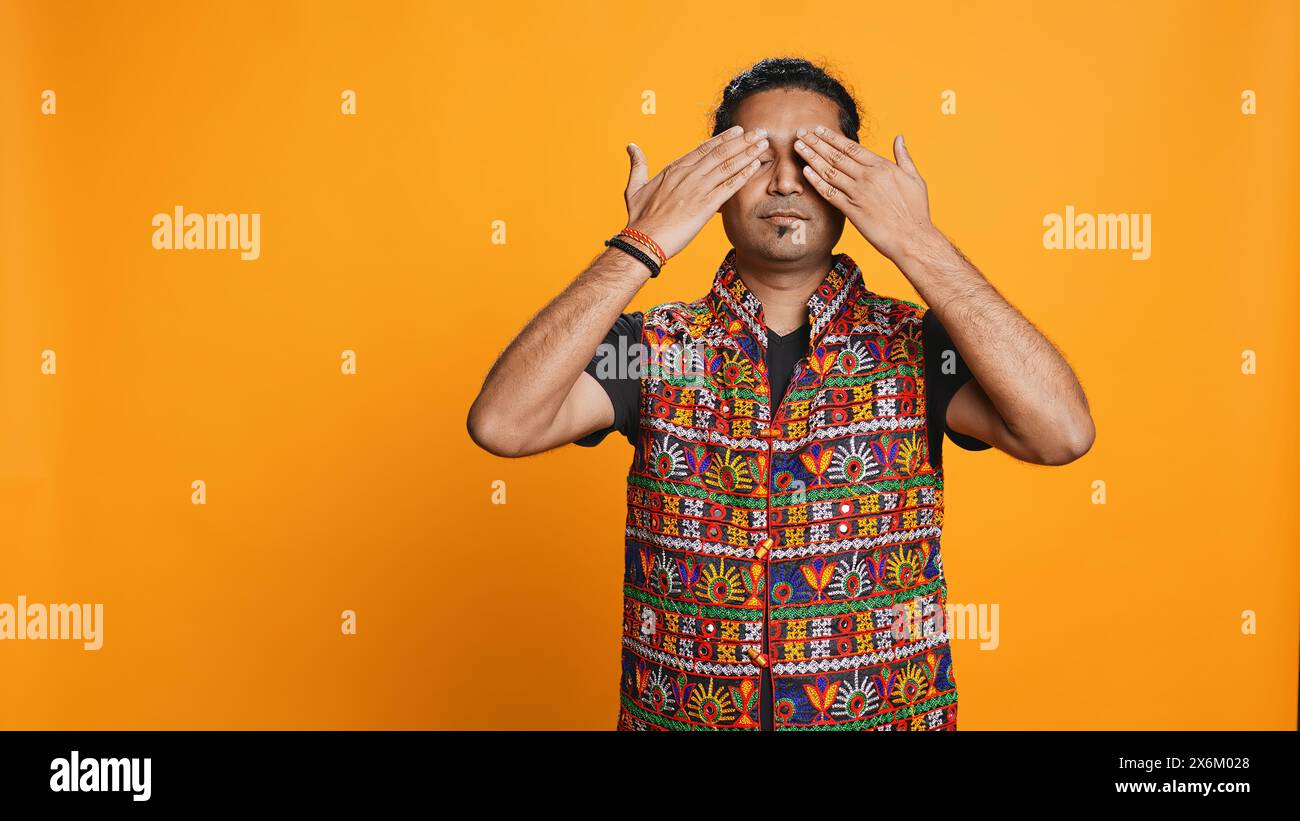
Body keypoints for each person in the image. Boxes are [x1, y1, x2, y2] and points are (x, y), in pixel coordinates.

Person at [467, 57, 1094, 730]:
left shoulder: (919, 345)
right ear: (711, 181)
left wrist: (919, 242)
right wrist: (640, 243)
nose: (786, 181)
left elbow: (1062, 432)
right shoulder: (654, 348)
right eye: (758, 158)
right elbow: (503, 423)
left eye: (815, 159)